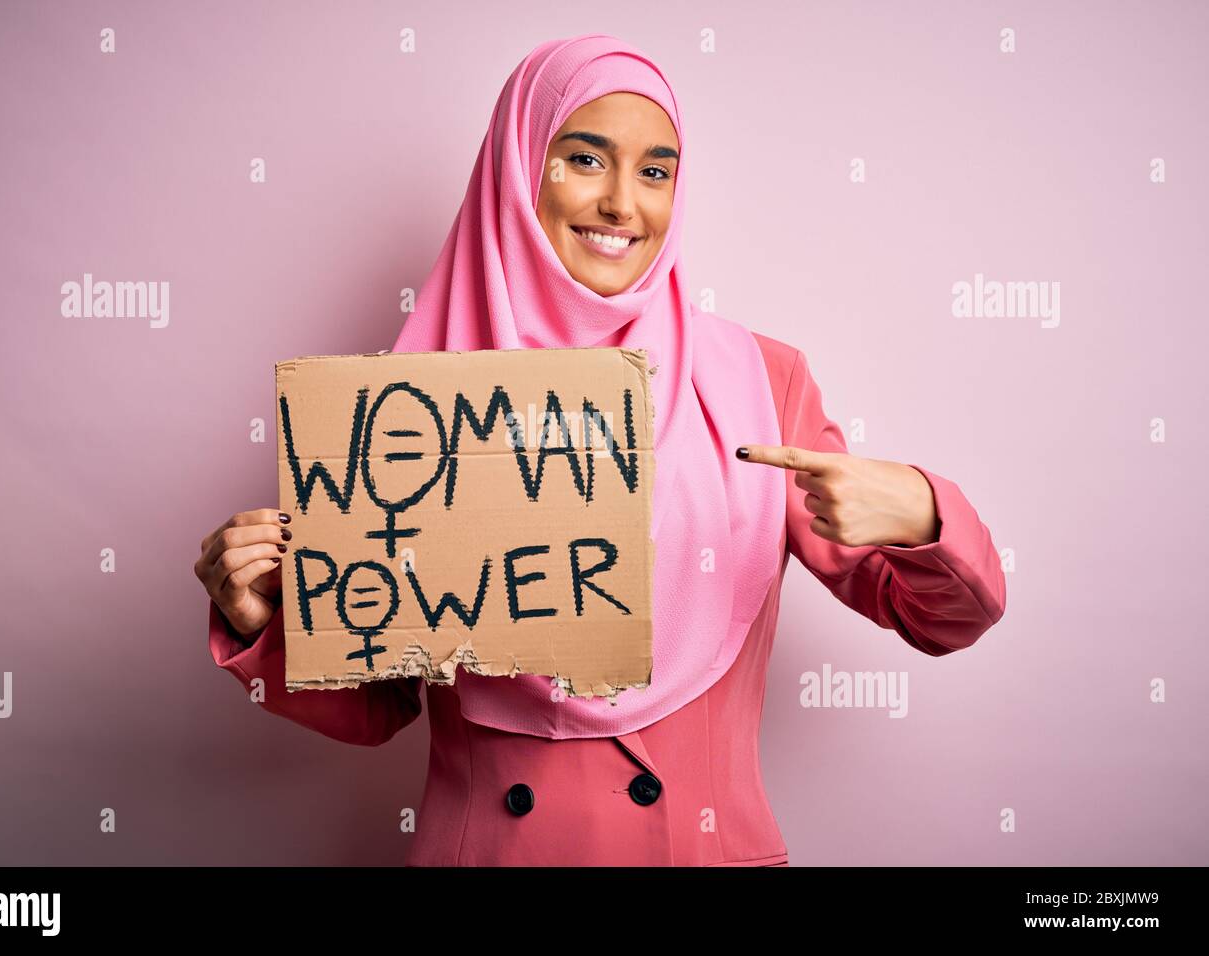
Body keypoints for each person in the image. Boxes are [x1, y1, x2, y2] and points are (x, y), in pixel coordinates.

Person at [193, 34, 1007, 866]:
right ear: (518, 168)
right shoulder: (409, 404)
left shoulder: (762, 383)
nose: (624, 204)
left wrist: (921, 513)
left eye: (656, 171)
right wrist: (268, 626)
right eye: (585, 159)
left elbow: (942, 621)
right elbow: (380, 703)